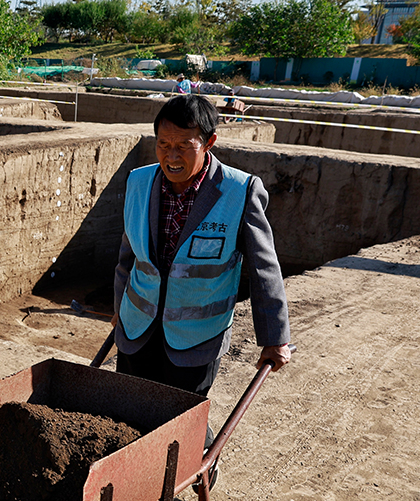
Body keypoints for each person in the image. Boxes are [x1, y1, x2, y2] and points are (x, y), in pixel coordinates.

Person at [112, 95, 291, 462]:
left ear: (209, 142)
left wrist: (275, 338)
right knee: (127, 409)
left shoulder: (239, 191)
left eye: (183, 146)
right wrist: (119, 310)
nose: (171, 156)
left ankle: (197, 465)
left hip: (196, 335)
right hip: (137, 326)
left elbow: (264, 268)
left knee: (182, 419)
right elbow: (127, 258)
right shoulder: (139, 182)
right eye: (163, 145)